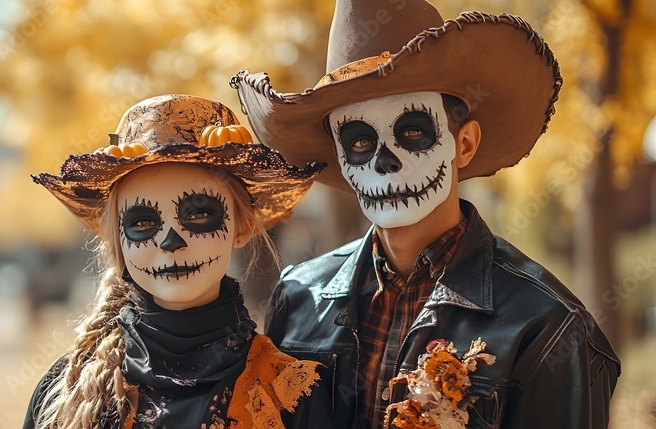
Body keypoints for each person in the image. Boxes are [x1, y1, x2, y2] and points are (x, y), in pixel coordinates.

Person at [231, 1, 620, 428]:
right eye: (359, 142)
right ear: (340, 159)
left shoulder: (546, 326)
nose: (384, 163)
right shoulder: (299, 298)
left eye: (413, 132)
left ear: (464, 144)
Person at [24, 94, 334, 428]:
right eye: (143, 222)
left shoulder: (292, 394)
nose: (171, 243)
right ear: (119, 240)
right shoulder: (64, 391)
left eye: (199, 213)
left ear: (241, 227)